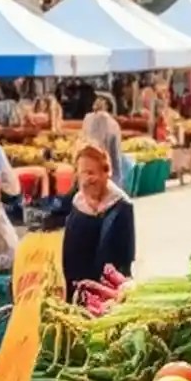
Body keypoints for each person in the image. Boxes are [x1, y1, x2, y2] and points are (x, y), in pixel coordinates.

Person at [62, 145, 135, 298]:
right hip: (75, 292)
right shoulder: (76, 203)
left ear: (106, 173)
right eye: (83, 173)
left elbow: (125, 260)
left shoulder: (120, 207)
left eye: (92, 173)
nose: (88, 179)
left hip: (107, 295)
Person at [82, 99, 129, 188]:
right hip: (105, 167)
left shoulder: (87, 119)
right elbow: (116, 157)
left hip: (89, 162)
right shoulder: (112, 124)